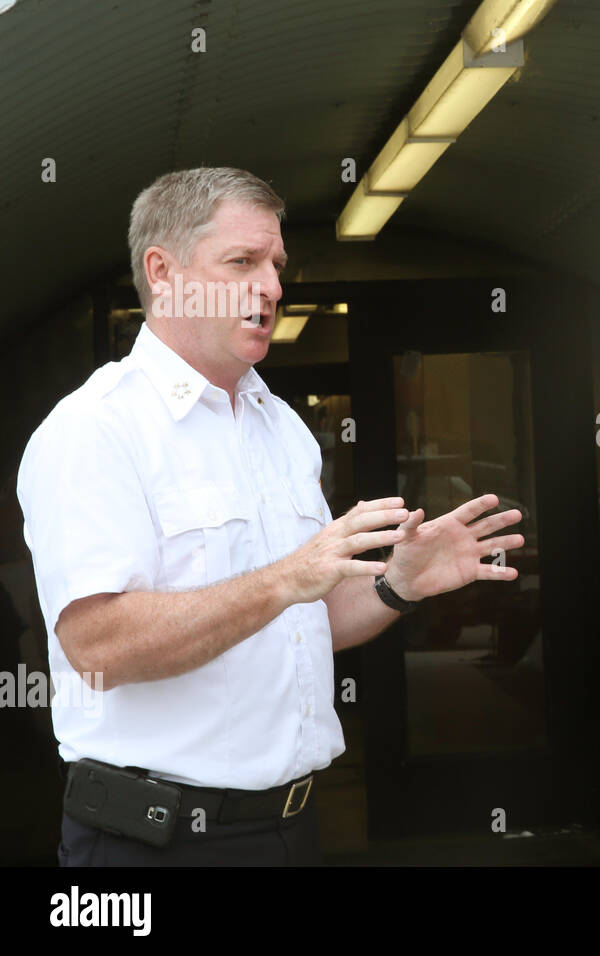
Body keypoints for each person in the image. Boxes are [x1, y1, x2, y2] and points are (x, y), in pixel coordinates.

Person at [17, 167, 524, 865]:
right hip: (154, 842)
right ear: (163, 272)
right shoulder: (94, 431)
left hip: (289, 830)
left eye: (277, 265)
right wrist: (285, 578)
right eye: (243, 262)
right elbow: (97, 649)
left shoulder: (279, 425)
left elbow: (302, 624)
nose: (273, 287)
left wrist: (394, 584)